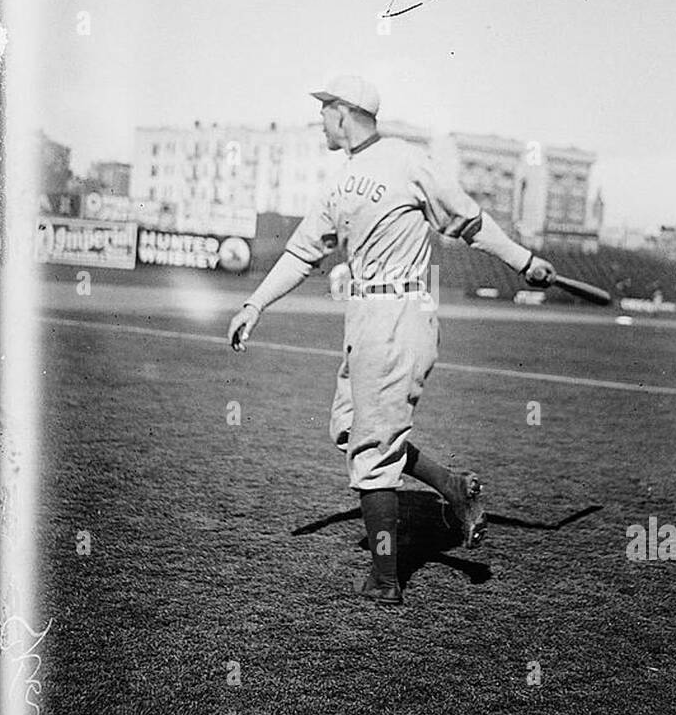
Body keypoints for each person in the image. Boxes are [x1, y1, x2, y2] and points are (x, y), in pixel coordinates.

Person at [227, 76, 555, 606]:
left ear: (344, 113)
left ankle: (385, 579)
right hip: (364, 314)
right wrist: (254, 304)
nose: (320, 120)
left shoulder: (407, 160)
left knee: (372, 449)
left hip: (402, 310)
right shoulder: (342, 180)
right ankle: (452, 486)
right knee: (349, 427)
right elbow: (301, 253)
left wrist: (522, 261)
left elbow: (467, 220)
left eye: (325, 110)